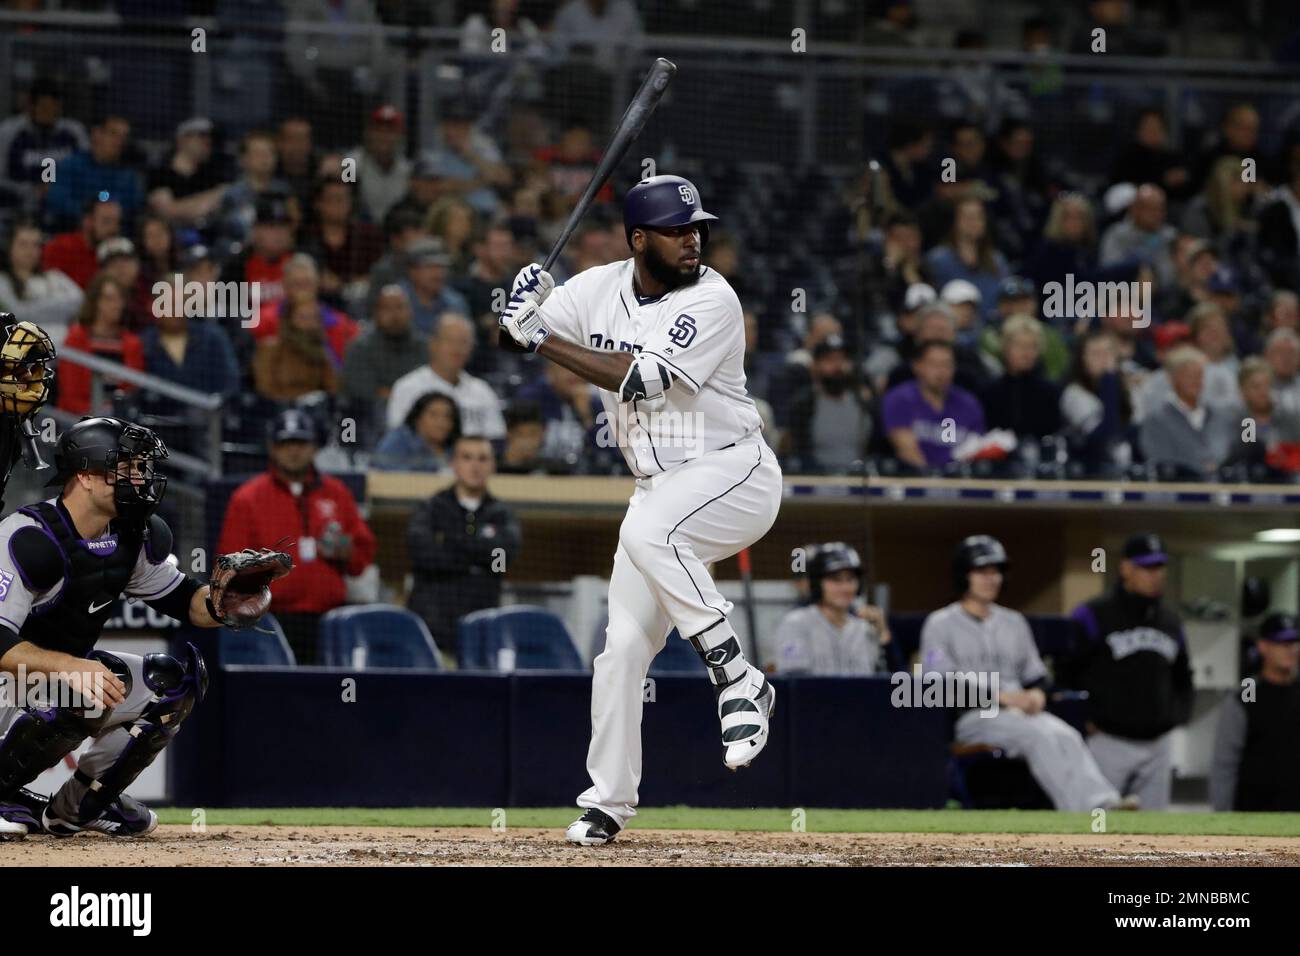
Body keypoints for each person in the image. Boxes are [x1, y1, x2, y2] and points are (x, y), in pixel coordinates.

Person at [498, 174, 781, 846]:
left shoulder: (713, 298)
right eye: (677, 230)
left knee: (651, 530)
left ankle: (736, 675)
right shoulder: (598, 287)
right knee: (621, 650)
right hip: (660, 488)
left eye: (696, 228)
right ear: (637, 239)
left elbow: (639, 380)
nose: (693, 240)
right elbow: (522, 327)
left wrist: (539, 339)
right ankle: (607, 803)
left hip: (732, 470)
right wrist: (518, 305)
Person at [0, 417, 277, 839]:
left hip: (40, 688)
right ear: (86, 476)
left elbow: (185, 601)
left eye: (143, 467)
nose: (141, 478)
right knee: (76, 685)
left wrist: (222, 603)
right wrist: (70, 667)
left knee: (168, 683)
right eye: (128, 467)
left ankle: (77, 809)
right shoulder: (26, 537)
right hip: (8, 685)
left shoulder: (133, 537)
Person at [921, 536, 1131, 812]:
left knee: (1066, 734)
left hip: (1020, 712)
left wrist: (1036, 693)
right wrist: (1001, 697)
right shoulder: (940, 624)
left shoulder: (1014, 622)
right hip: (974, 716)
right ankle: (1083, 811)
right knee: (1038, 736)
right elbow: (938, 684)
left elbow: (1036, 676)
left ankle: (1105, 802)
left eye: (996, 572)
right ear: (964, 576)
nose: (991, 579)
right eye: (982, 572)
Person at [217, 408, 375, 663]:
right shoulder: (248, 498)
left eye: (301, 443)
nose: (294, 451)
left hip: (330, 619)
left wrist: (344, 549)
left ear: (314, 447)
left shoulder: (337, 493)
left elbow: (362, 556)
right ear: (272, 448)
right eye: (285, 443)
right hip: (271, 620)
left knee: (326, 696)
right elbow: (229, 567)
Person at [1061, 532, 1192, 811]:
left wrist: (1176, 717)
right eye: (1146, 568)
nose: (1155, 575)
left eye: (1159, 567)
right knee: (1093, 822)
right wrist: (1085, 720)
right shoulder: (1093, 613)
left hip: (1158, 743)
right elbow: (1066, 671)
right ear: (1125, 569)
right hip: (1108, 740)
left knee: (1154, 833)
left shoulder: (1171, 620)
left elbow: (1183, 675)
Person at [406, 433, 521, 655]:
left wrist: (451, 542)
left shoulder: (502, 514)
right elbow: (424, 555)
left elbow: (503, 560)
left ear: (493, 466)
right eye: (467, 458)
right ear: (454, 464)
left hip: (483, 632)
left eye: (482, 459)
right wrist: (478, 557)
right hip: (432, 630)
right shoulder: (430, 508)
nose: (475, 466)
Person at [1210, 612, 1300, 811]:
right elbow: (1225, 761)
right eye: (1282, 642)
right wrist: (1222, 811)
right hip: (1253, 809)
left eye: (1294, 641)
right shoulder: (1249, 691)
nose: (1291, 649)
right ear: (1263, 646)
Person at [761, 543, 887, 675]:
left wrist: (884, 635)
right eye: (835, 580)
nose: (845, 587)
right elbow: (794, 684)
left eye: (850, 579)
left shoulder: (864, 628)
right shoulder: (795, 623)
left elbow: (891, 680)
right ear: (817, 584)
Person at [386, 312, 505, 438]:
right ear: (433, 344)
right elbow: (399, 442)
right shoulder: (407, 388)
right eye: (450, 340)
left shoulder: (482, 391)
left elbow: (496, 438)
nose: (457, 348)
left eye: (464, 342)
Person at [881, 339, 986, 470]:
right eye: (934, 364)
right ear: (917, 366)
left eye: (947, 364)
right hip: (914, 481)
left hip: (960, 482)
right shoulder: (899, 399)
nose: (941, 371)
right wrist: (934, 482)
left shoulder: (969, 404)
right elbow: (907, 451)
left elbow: (976, 451)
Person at [1137, 345, 1234, 478]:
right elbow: (1160, 460)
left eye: (1199, 375)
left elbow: (1228, 452)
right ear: (1172, 379)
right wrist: (1201, 467)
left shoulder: (1219, 416)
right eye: (1189, 375)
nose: (1196, 381)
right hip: (1178, 491)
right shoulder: (1156, 419)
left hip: (1220, 490)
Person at [57, 275, 144, 414]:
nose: (116, 305)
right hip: (79, 419)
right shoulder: (76, 339)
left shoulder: (132, 344)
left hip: (119, 420)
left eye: (120, 299)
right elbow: (70, 395)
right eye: (109, 299)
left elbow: (132, 392)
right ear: (95, 302)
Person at [42, 113, 144, 231]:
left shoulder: (128, 174)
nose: (119, 142)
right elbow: (57, 200)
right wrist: (91, 214)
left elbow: (133, 205)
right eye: (113, 134)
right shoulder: (71, 164)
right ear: (97, 134)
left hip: (115, 234)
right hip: (74, 231)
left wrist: (107, 212)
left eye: (123, 137)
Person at [785, 335, 872, 473]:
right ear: (816, 365)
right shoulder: (804, 404)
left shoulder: (863, 402)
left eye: (842, 359)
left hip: (858, 483)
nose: (838, 366)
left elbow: (875, 449)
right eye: (829, 360)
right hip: (815, 482)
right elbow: (795, 451)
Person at [0, 77, 87, 214]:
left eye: (54, 107)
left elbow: (88, 172)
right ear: (31, 105)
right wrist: (30, 190)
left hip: (66, 207)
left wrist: (58, 189)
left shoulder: (74, 132)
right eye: (44, 107)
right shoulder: (9, 131)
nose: (49, 112)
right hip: (19, 207)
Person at [979, 314, 1061, 442]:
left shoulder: (1050, 392)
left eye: (1032, 346)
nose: (1026, 353)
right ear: (1006, 348)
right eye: (1020, 345)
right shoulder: (989, 392)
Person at [0, 218, 82, 337]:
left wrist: (32, 306)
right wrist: (59, 307)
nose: (30, 250)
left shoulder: (55, 277)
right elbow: (17, 314)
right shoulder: (2, 281)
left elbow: (79, 301)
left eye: (35, 244)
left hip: (64, 347)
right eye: (23, 244)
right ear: (9, 246)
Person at [146, 117, 228, 228]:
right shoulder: (160, 174)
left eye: (210, 137)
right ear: (182, 140)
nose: (208, 141)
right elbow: (168, 212)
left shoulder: (211, 176)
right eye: (201, 136)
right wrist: (215, 195)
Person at [349, 105, 411, 227]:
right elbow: (346, 198)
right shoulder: (349, 163)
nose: (384, 136)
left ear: (400, 136)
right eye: (379, 130)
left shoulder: (407, 170)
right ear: (368, 133)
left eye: (390, 131)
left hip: (395, 234)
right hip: (359, 233)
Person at [41, 197, 122, 290]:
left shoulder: (118, 253)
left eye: (117, 222)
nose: (114, 229)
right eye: (106, 221)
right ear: (87, 221)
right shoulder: (61, 247)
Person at [398, 237, 472, 337]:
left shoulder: (455, 303)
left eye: (441, 267)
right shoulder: (397, 301)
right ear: (413, 271)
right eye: (430, 266)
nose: (438, 274)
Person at [373, 391, 460, 472]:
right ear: (417, 418)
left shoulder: (457, 447)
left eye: (448, 416)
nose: (442, 422)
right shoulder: (399, 439)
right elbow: (387, 473)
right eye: (434, 415)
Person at [495, 400, 546, 474]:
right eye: (521, 434)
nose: (528, 441)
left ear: (542, 434)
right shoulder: (493, 466)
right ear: (509, 434)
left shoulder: (552, 468)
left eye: (533, 434)